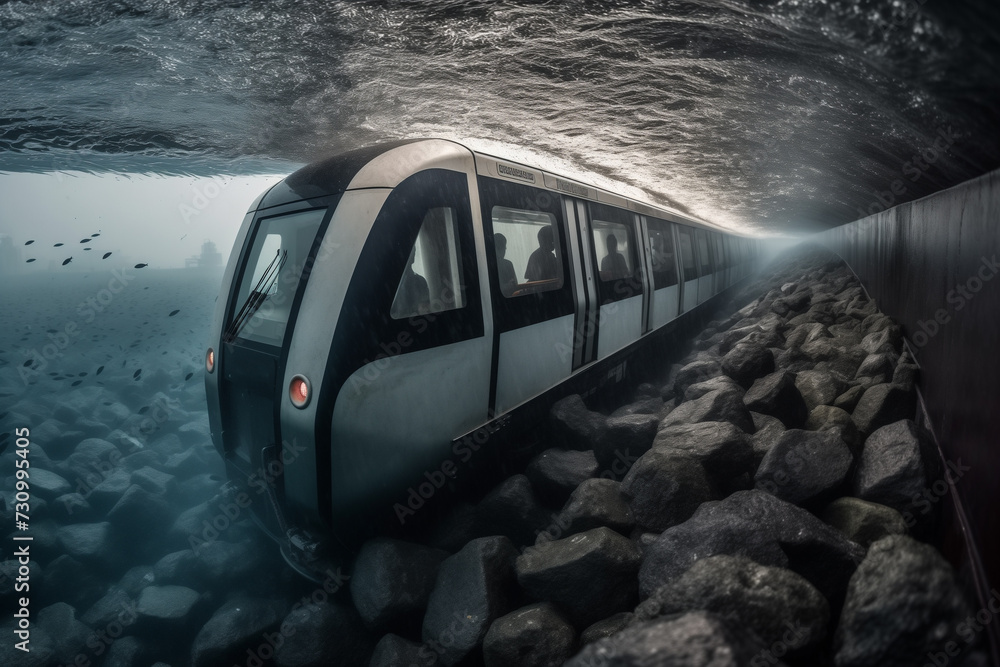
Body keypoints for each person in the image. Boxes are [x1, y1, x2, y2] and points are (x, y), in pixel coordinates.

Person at [391, 245, 430, 318]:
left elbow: (425, 309)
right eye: (409, 252)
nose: (413, 255)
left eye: (413, 252)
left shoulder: (421, 281)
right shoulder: (391, 283)